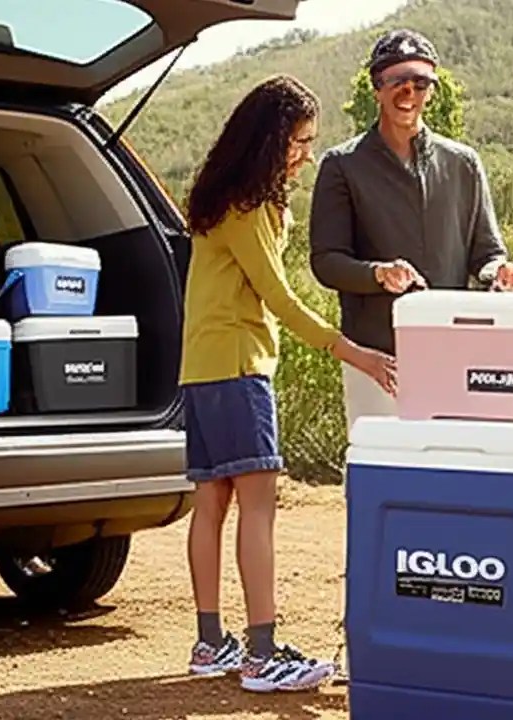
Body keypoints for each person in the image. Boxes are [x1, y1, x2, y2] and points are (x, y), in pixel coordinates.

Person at [179, 74, 395, 692]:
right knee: (259, 504)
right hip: (240, 365)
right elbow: (278, 296)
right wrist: (350, 350)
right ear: (270, 142)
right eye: (298, 142)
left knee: (212, 502)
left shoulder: (221, 201)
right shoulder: (249, 209)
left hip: (201, 368)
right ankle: (262, 651)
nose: (304, 154)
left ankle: (210, 641)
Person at [308, 28, 513, 430]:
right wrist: (378, 273)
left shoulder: (464, 163)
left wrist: (500, 272)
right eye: (398, 82)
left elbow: (486, 252)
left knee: (449, 471)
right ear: (377, 87)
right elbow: (326, 262)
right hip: (378, 358)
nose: (409, 92)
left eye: (420, 83)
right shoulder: (342, 166)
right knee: (383, 472)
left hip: (456, 352)